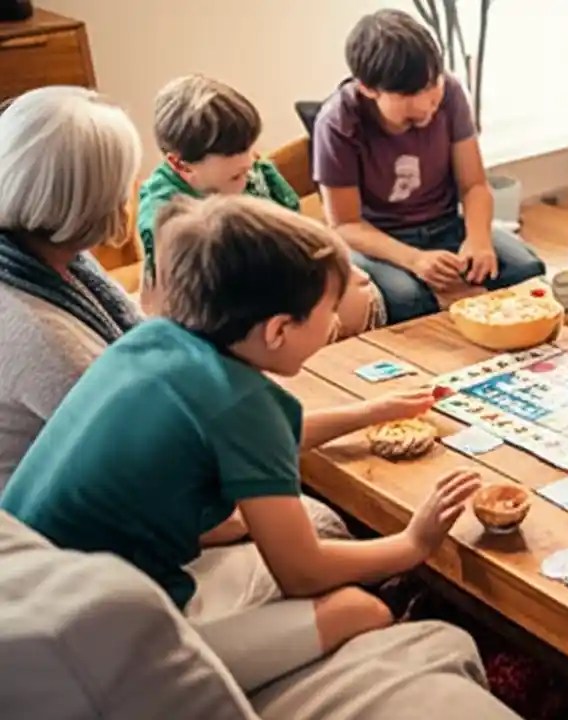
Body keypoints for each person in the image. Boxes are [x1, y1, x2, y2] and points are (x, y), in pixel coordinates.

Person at [1, 194, 484, 690]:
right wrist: (412, 543)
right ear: (278, 329)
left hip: (23, 602)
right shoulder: (242, 404)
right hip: (89, 657)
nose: (336, 322)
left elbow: (254, 441)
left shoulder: (153, 341)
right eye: (329, 310)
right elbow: (300, 571)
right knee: (361, 609)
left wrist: (370, 412)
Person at [313, 8, 545, 325]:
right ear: (368, 88)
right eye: (408, 94)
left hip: (446, 224)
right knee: (408, 300)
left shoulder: (450, 91)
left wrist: (478, 239)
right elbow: (345, 225)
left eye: (430, 86)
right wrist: (414, 259)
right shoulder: (338, 122)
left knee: (525, 270)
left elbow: (474, 185)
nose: (424, 105)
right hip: (379, 241)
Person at [137, 74, 385, 337]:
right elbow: (194, 297)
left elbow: (296, 234)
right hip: (223, 307)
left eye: (251, 161)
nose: (248, 178)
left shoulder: (256, 173)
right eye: (235, 176)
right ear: (181, 166)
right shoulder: (167, 213)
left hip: (278, 287)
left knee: (360, 292)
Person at [0, 86, 145, 489]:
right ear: (106, 200)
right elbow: (143, 476)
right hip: (52, 537)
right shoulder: (44, 336)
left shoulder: (41, 258)